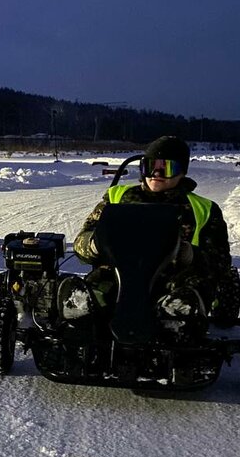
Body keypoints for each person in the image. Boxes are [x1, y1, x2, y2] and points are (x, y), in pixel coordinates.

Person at [64, 135, 232, 336]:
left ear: (181, 172)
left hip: (174, 277)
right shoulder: (117, 198)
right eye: (150, 166)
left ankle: (177, 337)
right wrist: (93, 244)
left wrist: (191, 254)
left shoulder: (202, 209)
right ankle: (82, 327)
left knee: (186, 297)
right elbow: (81, 242)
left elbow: (219, 263)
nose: (156, 173)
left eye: (166, 168)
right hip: (119, 274)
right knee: (97, 289)